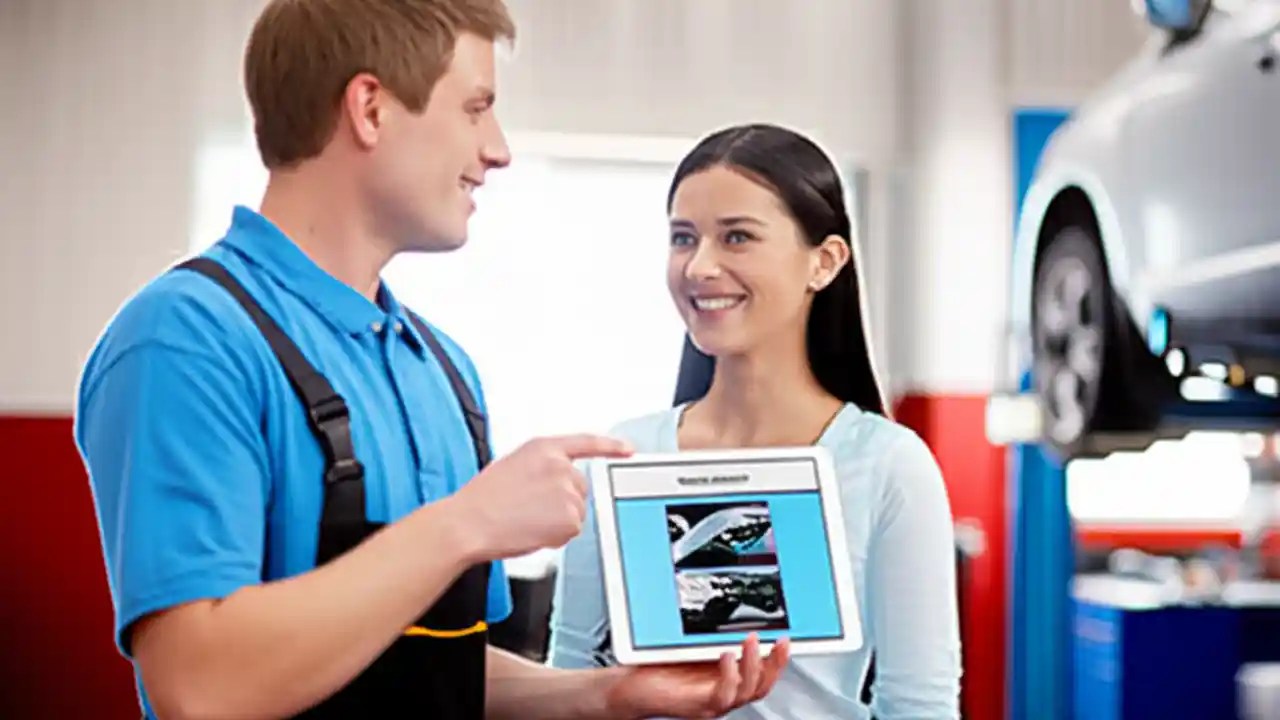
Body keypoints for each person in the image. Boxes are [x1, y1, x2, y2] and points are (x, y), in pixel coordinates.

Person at [72, 2, 789, 718]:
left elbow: (435, 663)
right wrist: (466, 523)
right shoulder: (187, 339)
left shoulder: (442, 370)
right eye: (476, 108)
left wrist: (606, 694)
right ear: (371, 109)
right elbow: (200, 685)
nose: (498, 148)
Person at [547, 123, 963, 719]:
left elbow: (920, 704)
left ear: (824, 262)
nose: (699, 267)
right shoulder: (623, 456)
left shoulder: (889, 466)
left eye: (737, 237)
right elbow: (571, 669)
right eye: (683, 238)